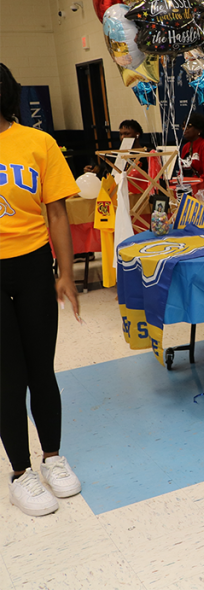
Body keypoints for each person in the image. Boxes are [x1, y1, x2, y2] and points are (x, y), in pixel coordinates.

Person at [0, 63, 83, 517]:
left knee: (41, 371)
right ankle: (21, 473)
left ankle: (53, 457)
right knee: (7, 377)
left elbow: (56, 214)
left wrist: (66, 274)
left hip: (33, 265)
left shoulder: (38, 142)